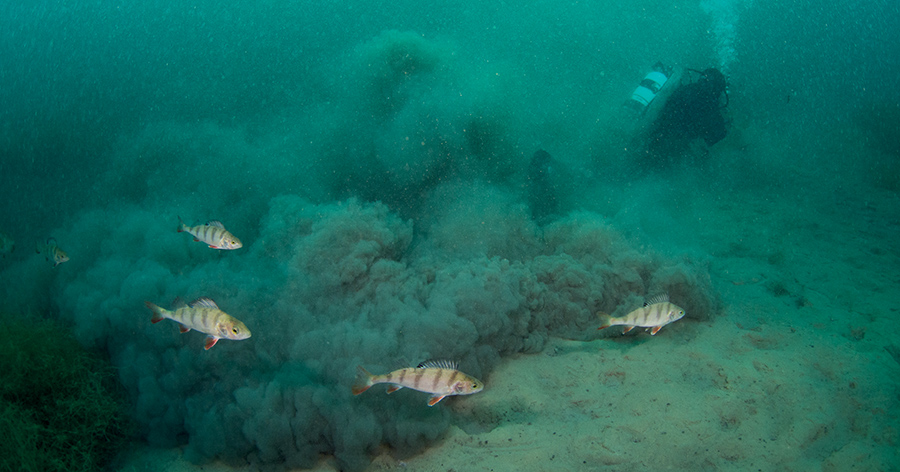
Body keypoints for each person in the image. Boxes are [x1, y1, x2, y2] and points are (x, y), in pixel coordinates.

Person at [642, 67, 729, 164]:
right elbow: (716, 136)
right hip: (669, 148)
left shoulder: (685, 89)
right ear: (717, 88)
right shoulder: (709, 103)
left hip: (652, 135)